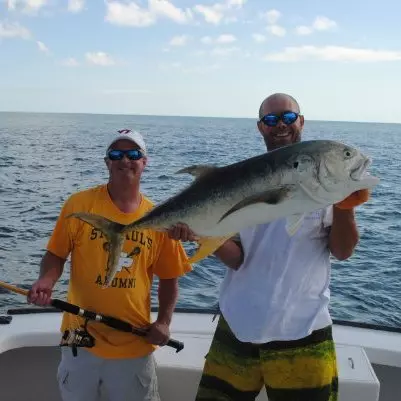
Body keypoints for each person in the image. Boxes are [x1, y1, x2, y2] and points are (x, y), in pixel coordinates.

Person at [169, 93, 370, 401]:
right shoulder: (242, 180)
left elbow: (343, 251)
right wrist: (198, 234)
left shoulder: (326, 183)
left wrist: (345, 206)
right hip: (237, 325)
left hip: (303, 330)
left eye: (288, 118)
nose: (281, 125)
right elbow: (237, 260)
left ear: (301, 121)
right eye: (271, 120)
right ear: (260, 127)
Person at [28, 128, 192, 401]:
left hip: (134, 345)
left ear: (144, 161)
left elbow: (169, 278)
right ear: (107, 162)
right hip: (77, 339)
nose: (124, 160)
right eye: (116, 154)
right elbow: (56, 255)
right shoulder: (79, 204)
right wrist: (46, 280)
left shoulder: (161, 218)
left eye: (133, 154)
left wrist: (163, 322)